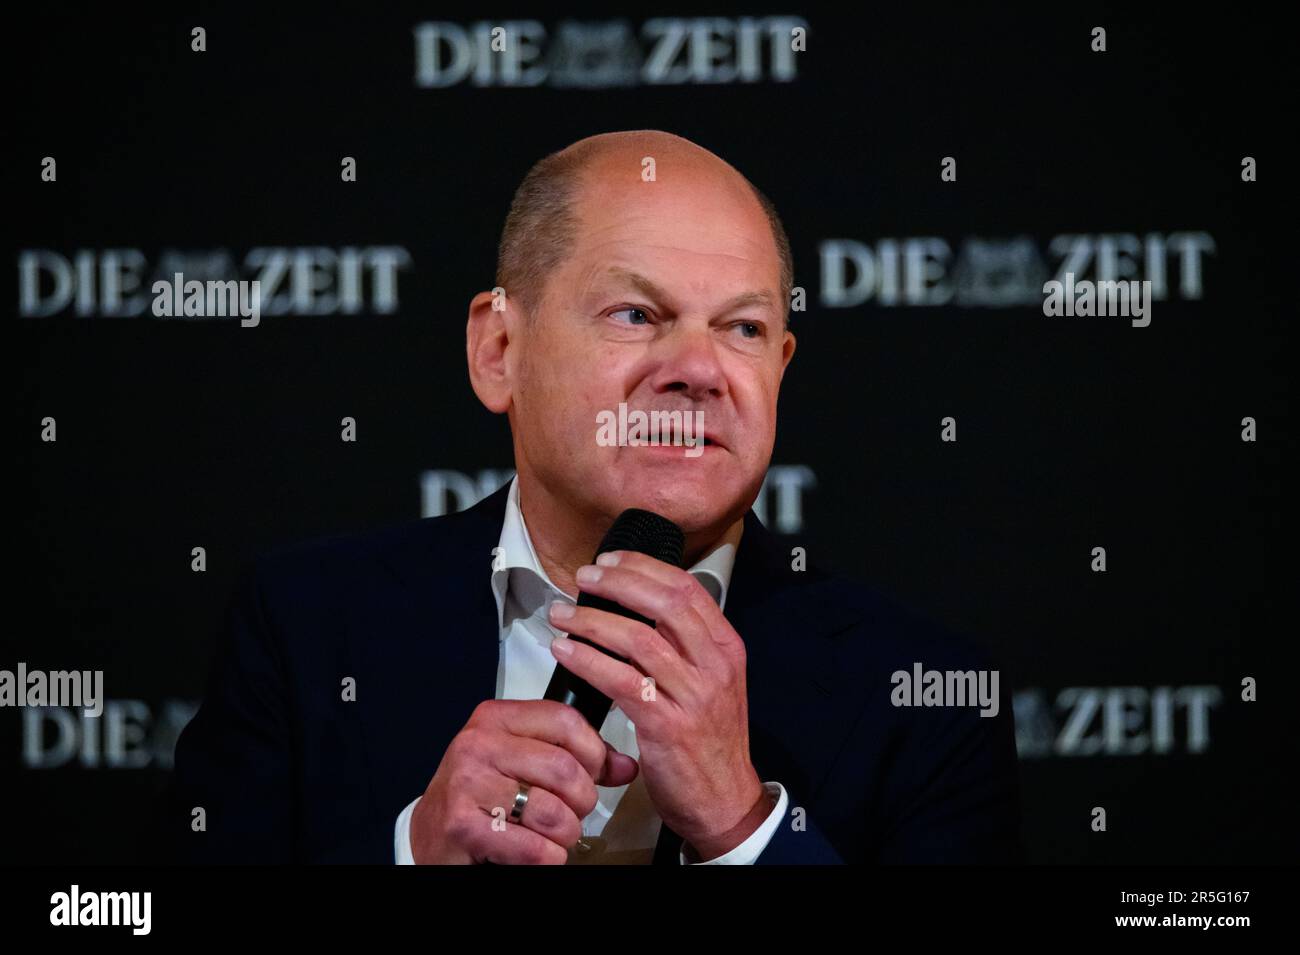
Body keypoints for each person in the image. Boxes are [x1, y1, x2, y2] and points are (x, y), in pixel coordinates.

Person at [169, 130, 1020, 864]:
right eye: (635, 314)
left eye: (744, 328)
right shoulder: (305, 628)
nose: (699, 368)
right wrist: (414, 852)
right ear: (498, 349)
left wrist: (744, 830)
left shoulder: (925, 690)